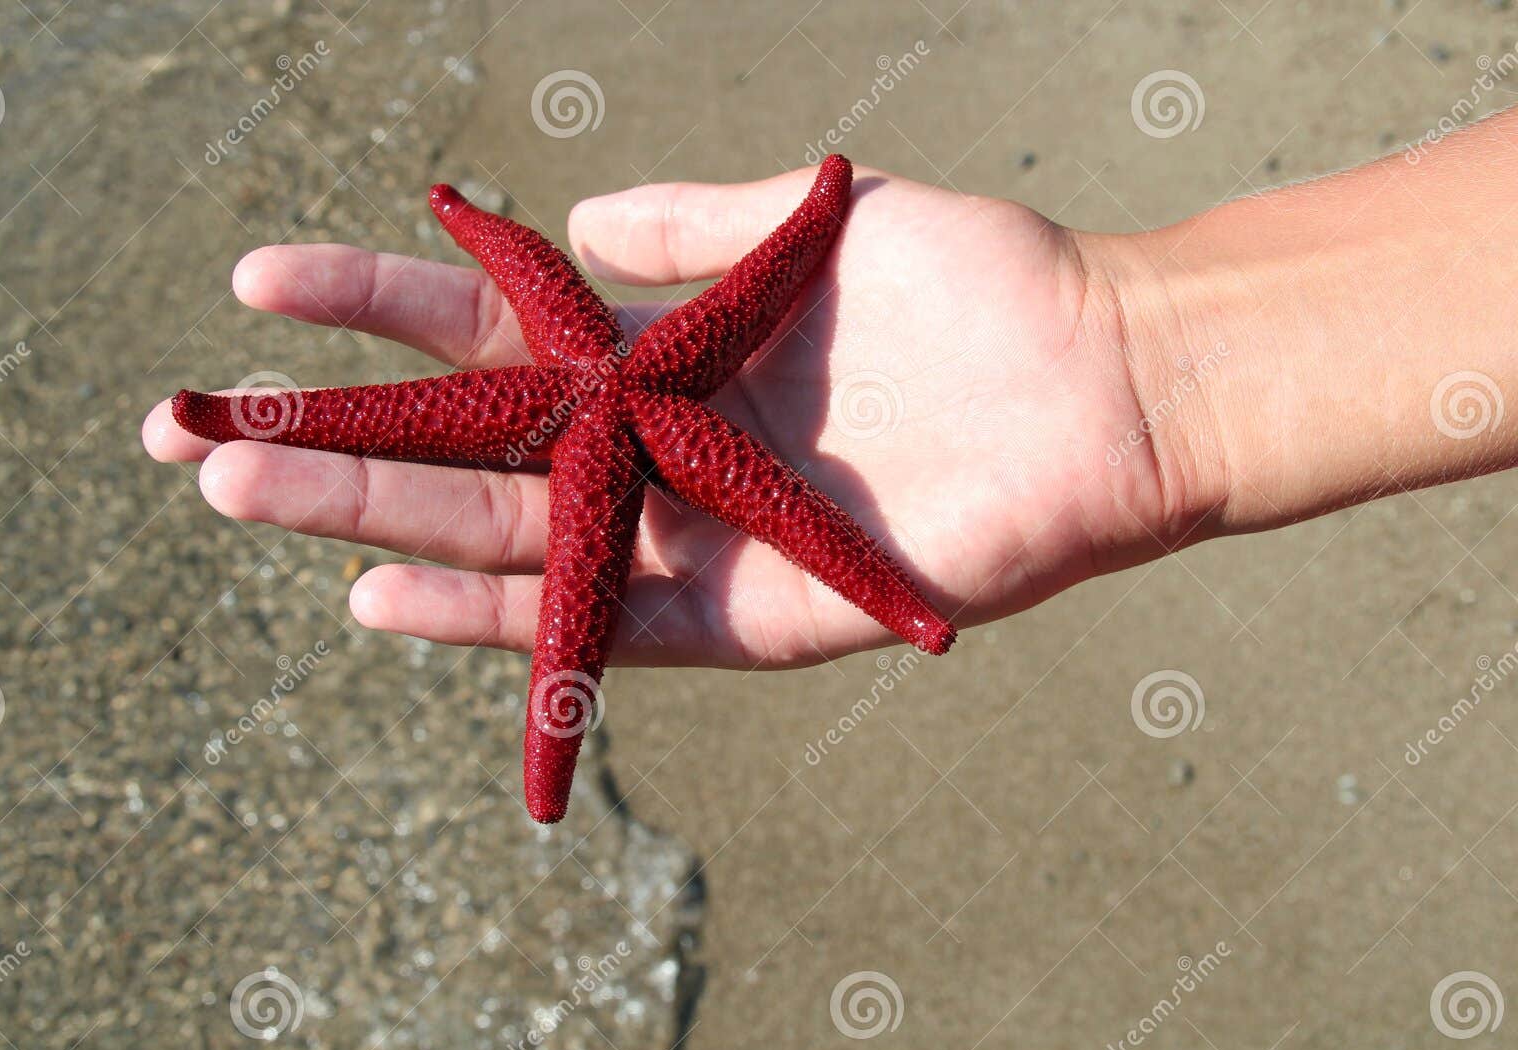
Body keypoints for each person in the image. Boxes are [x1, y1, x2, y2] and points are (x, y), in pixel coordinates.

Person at [143, 109, 1518, 668]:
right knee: (421, 473)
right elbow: (750, 284)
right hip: (621, 398)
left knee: (570, 590)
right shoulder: (635, 380)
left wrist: (1134, 353)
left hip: (614, 398)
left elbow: (767, 281)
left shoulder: (614, 372)